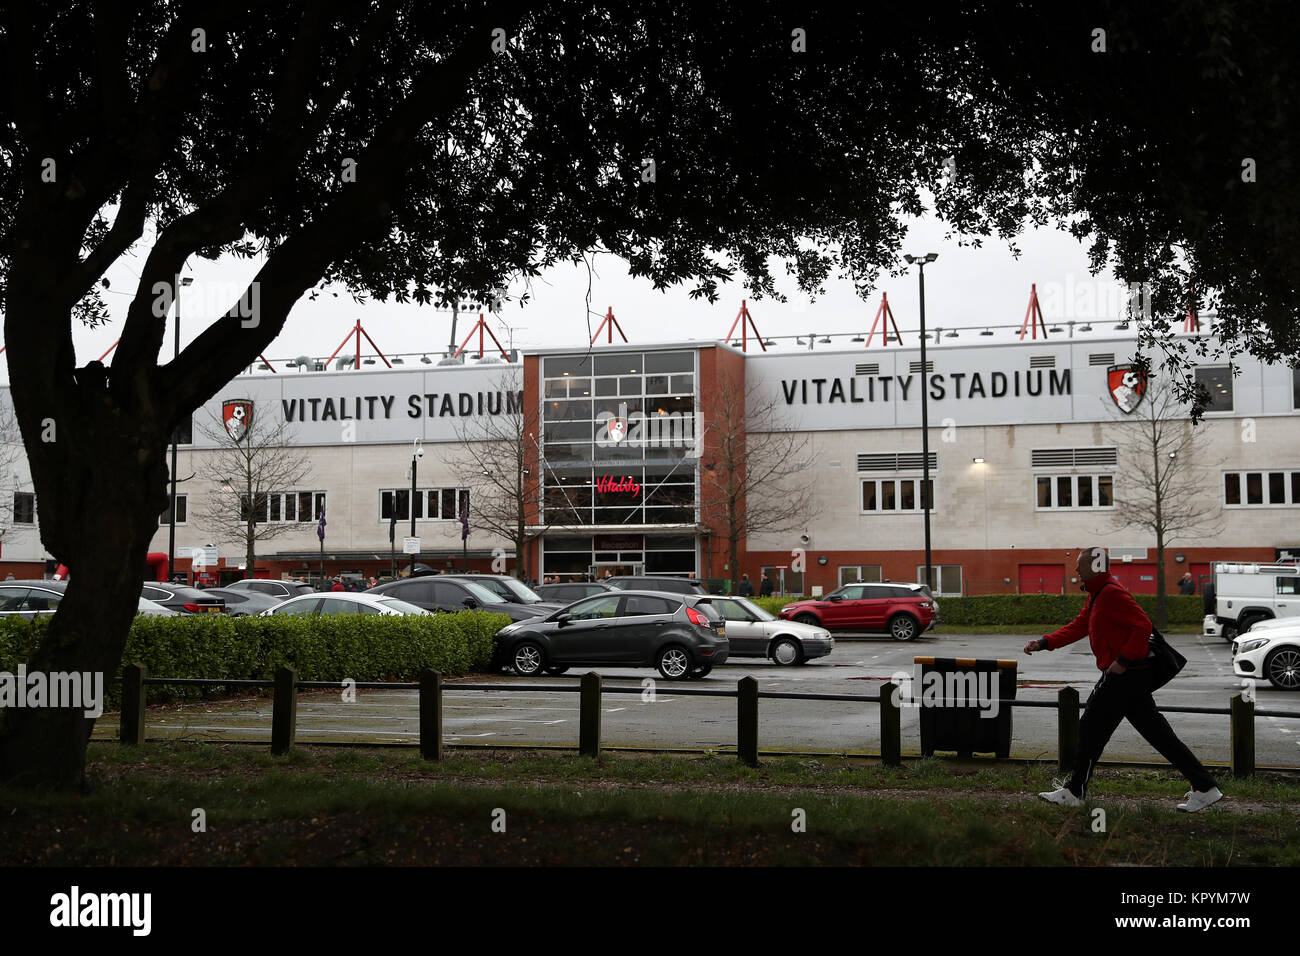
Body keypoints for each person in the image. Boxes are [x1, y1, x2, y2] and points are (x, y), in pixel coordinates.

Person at [1025, 547, 1222, 812]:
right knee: (1155, 733)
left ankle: (1074, 792)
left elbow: (1143, 625)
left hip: (1125, 676)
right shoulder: (1098, 595)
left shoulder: (1111, 593)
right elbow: (1080, 625)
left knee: (1091, 730)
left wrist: (1123, 661)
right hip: (1130, 676)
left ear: (1095, 566)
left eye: (1080, 565)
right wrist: (1045, 642)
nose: (1076, 570)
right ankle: (1205, 787)